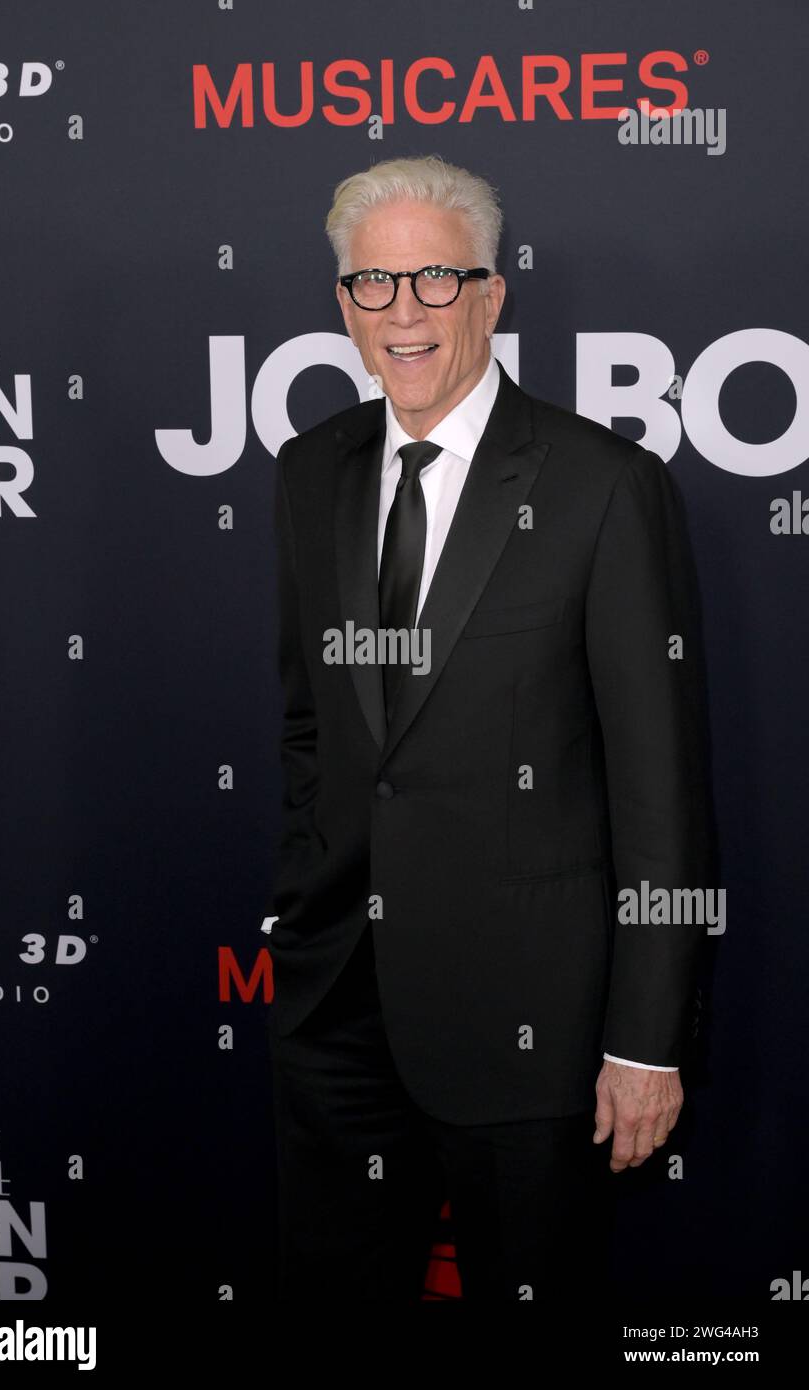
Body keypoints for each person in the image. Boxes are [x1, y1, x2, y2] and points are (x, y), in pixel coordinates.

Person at [264, 154, 717, 1302]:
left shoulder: (602, 486)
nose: (403, 314)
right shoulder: (311, 473)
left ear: (491, 294)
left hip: (534, 1027)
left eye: (435, 280)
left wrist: (645, 1040)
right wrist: (304, 906)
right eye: (374, 285)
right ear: (343, 307)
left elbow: (661, 787)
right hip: (340, 1018)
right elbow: (313, 726)